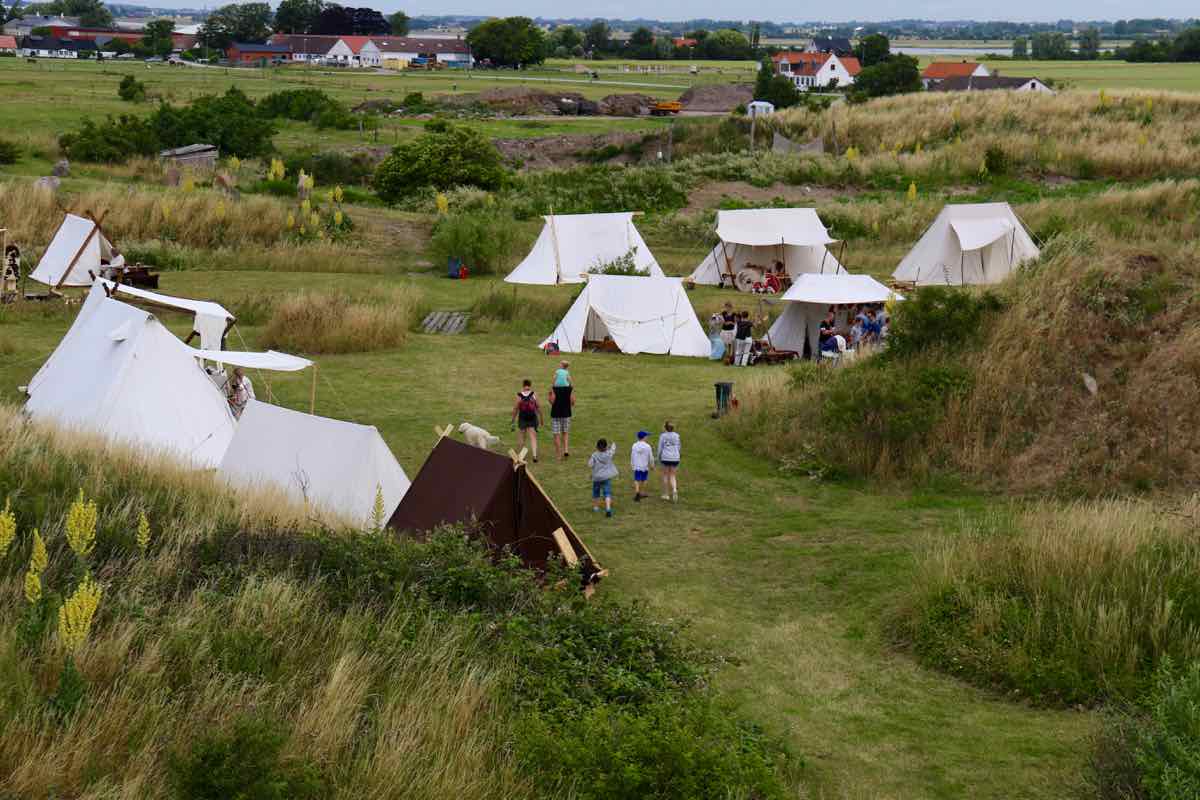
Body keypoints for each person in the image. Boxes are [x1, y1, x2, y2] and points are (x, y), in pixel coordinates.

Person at [511, 379, 543, 463]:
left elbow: (515, 408)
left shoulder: (519, 395)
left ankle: (522, 456)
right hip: (532, 417)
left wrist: (513, 420)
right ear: (530, 385)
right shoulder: (534, 394)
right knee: (533, 437)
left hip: (522, 417)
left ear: (523, 385)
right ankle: (534, 456)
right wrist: (541, 418)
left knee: (522, 437)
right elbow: (538, 407)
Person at [589, 438, 618, 517]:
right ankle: (608, 508)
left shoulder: (594, 455)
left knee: (596, 492)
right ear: (606, 447)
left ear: (597, 447)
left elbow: (590, 464)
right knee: (607, 493)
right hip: (606, 477)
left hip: (597, 477)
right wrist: (613, 445)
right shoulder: (609, 454)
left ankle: (596, 507)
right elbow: (613, 449)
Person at [549, 373, 575, 461]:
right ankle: (566, 450)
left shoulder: (554, 389)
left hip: (555, 414)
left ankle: (558, 455)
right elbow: (573, 402)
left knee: (557, 435)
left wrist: (550, 394)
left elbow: (552, 402)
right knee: (565, 433)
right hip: (566, 414)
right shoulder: (569, 389)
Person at [657, 421, 681, 502]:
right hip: (675, 457)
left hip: (666, 457)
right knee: (673, 475)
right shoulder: (677, 436)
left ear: (665, 428)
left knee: (665, 475)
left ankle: (666, 494)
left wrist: (658, 457)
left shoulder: (663, 436)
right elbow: (679, 447)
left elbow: (660, 448)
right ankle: (674, 489)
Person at [630, 431, 653, 501]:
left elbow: (632, 455)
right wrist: (652, 464)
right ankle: (642, 492)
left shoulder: (634, 445)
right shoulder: (648, 446)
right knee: (644, 479)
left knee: (637, 479)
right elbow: (651, 457)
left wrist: (632, 463)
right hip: (644, 466)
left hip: (637, 466)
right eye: (647, 436)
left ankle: (637, 492)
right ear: (644, 437)